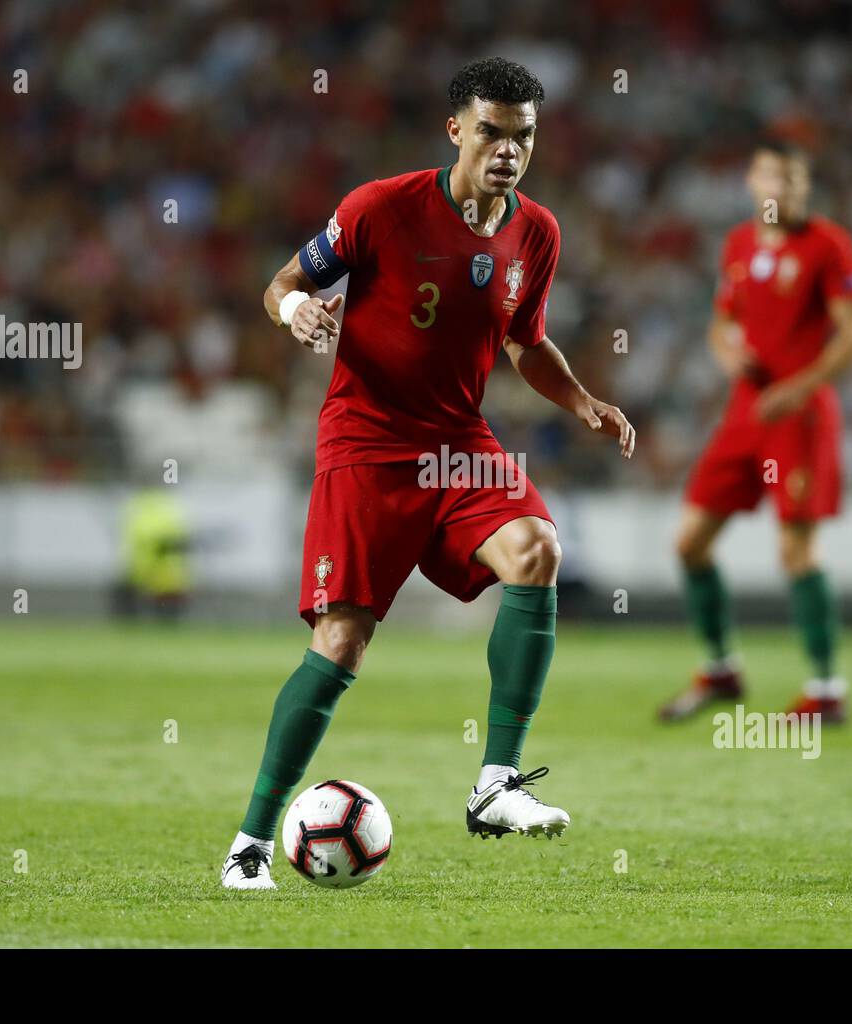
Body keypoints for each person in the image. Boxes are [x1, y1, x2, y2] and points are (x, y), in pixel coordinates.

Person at [223, 57, 635, 890]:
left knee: (538, 551)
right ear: (457, 131)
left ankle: (496, 785)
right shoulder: (377, 208)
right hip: (366, 443)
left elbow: (523, 339)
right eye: (492, 132)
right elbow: (282, 282)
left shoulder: (537, 233)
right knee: (341, 644)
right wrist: (298, 308)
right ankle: (251, 845)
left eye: (523, 136)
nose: (508, 150)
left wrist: (583, 400)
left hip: (456, 442)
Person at [658, 140, 852, 726]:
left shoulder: (828, 244)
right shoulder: (738, 244)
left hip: (798, 417)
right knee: (690, 542)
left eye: (798, 181)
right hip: (745, 414)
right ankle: (722, 669)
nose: (788, 191)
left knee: (796, 549)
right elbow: (721, 323)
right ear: (753, 183)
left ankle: (827, 691)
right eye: (777, 178)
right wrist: (728, 355)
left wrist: (803, 386)